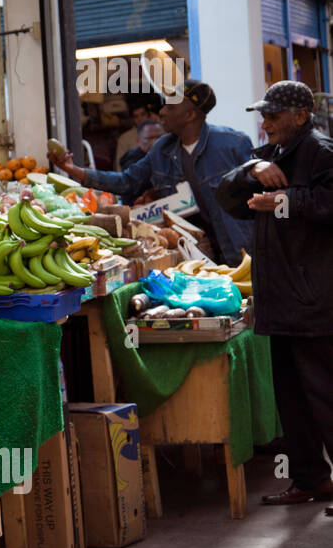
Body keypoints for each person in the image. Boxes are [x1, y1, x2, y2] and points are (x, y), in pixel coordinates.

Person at [216, 81, 333, 506]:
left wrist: (285, 201)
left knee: (326, 397)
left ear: (300, 116)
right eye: (262, 116)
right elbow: (225, 198)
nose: (264, 124)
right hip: (281, 302)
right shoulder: (270, 156)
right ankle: (311, 481)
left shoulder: (320, 151)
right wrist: (250, 171)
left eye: (273, 115)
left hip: (315, 302)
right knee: (294, 401)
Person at [51, 80, 254, 263]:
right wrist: (74, 170)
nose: (162, 112)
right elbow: (126, 181)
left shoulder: (233, 145)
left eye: (171, 107)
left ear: (189, 115)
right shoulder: (162, 149)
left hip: (240, 252)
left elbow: (258, 195)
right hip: (195, 254)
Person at [113, 93, 161, 164]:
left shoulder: (159, 132)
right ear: (133, 119)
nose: (140, 119)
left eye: (143, 114)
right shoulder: (124, 139)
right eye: (136, 116)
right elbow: (119, 165)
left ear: (149, 115)